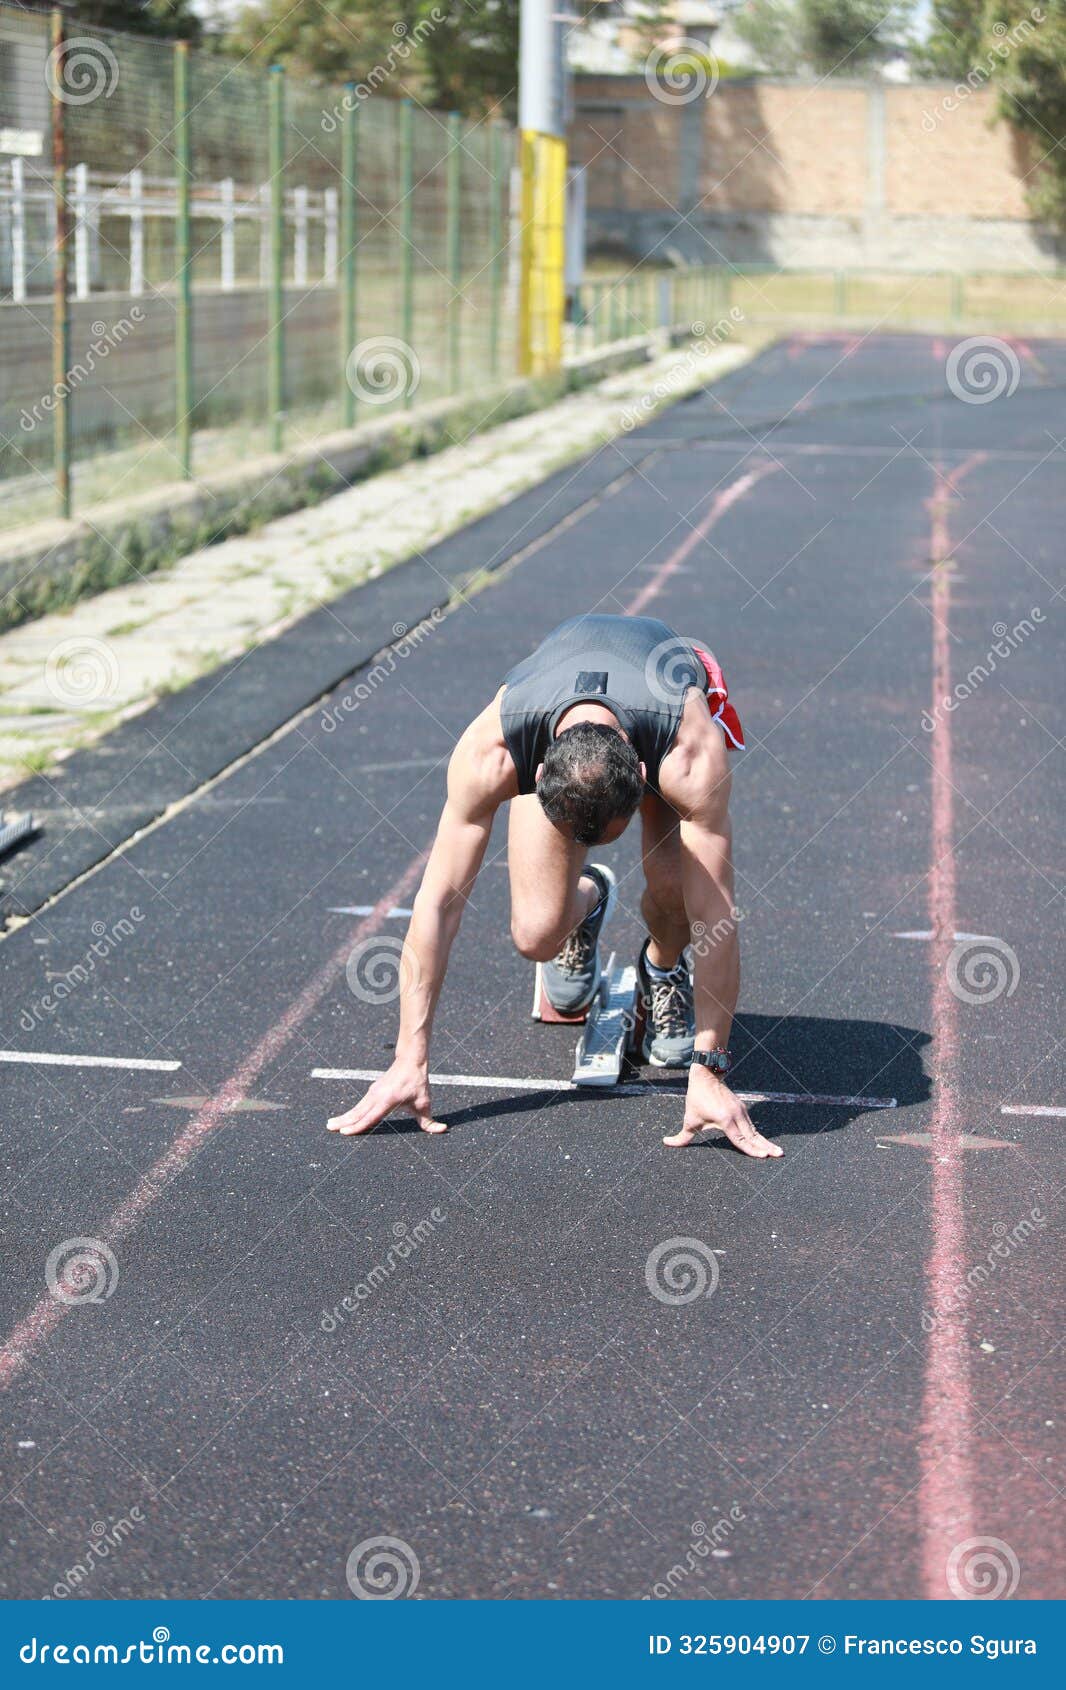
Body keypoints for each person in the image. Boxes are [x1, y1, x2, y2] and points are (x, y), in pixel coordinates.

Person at [326, 613, 782, 1158]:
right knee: (536, 936)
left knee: (674, 892)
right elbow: (439, 903)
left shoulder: (687, 755)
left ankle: (663, 967)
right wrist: (408, 1058)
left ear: (643, 778)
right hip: (567, 715)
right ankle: (588, 902)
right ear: (537, 777)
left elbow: (718, 916)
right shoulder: (490, 753)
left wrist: (710, 1068)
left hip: (661, 695)